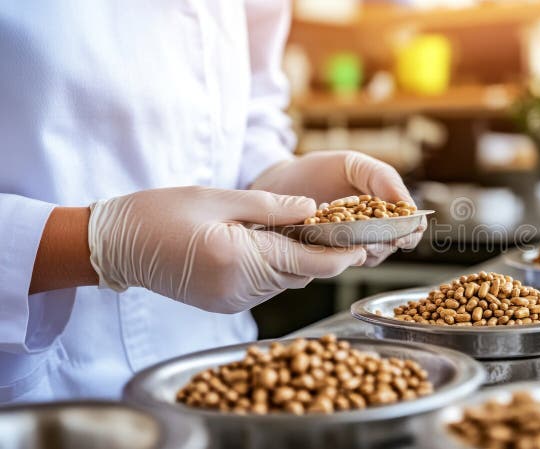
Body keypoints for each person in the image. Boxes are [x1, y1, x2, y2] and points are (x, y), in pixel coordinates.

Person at [0, 0, 424, 403]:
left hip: (221, 366)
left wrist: (274, 178)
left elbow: (250, 107)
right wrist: (99, 243)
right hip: (46, 394)